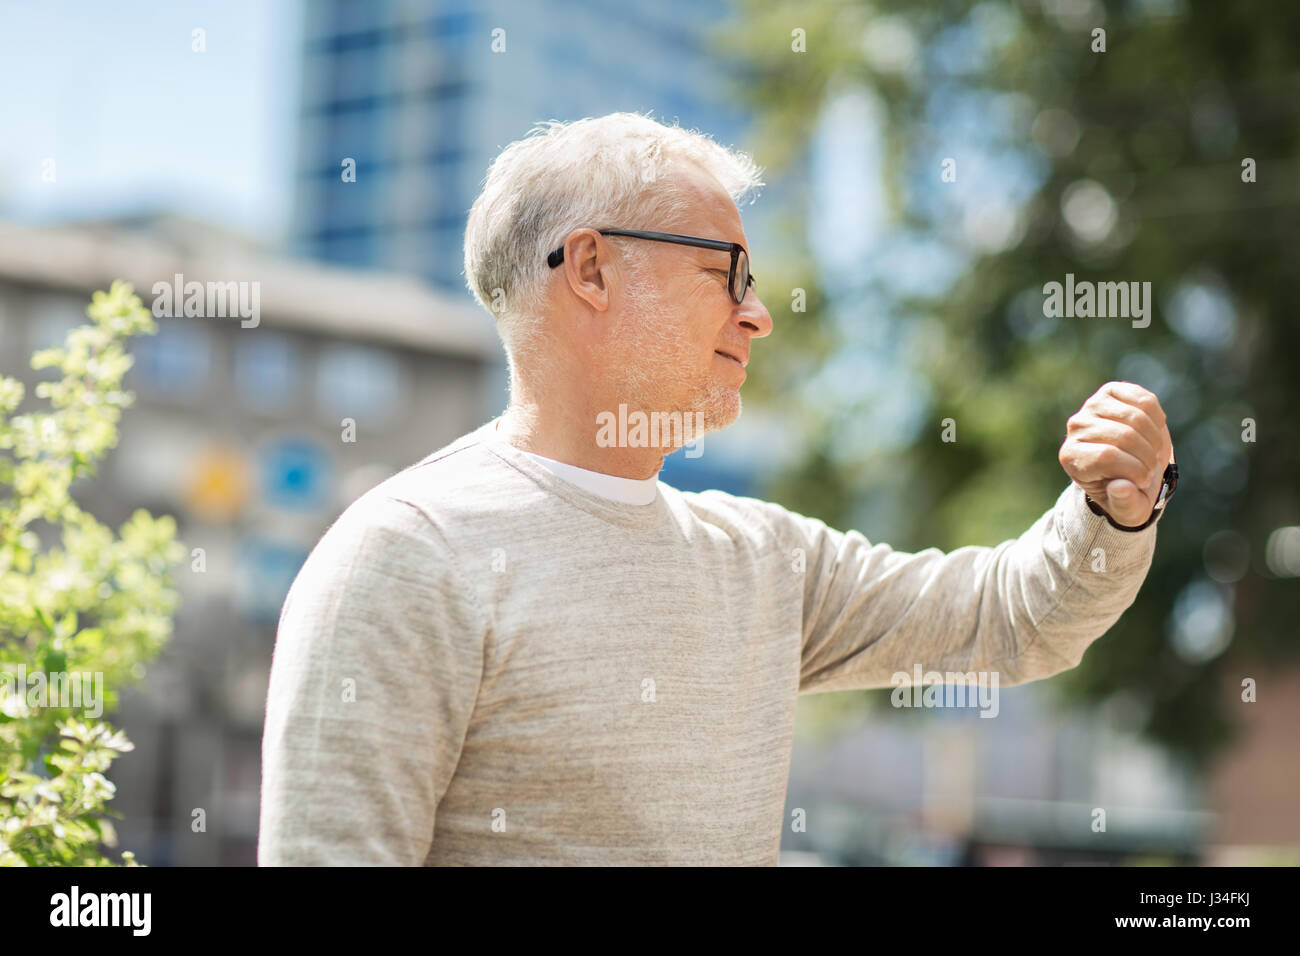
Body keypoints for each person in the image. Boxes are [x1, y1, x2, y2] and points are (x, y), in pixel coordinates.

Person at [258, 112, 1175, 866]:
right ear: (590, 269)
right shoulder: (407, 555)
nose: (759, 313)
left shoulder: (766, 561)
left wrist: (1112, 507)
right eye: (724, 270)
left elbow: (1010, 621)